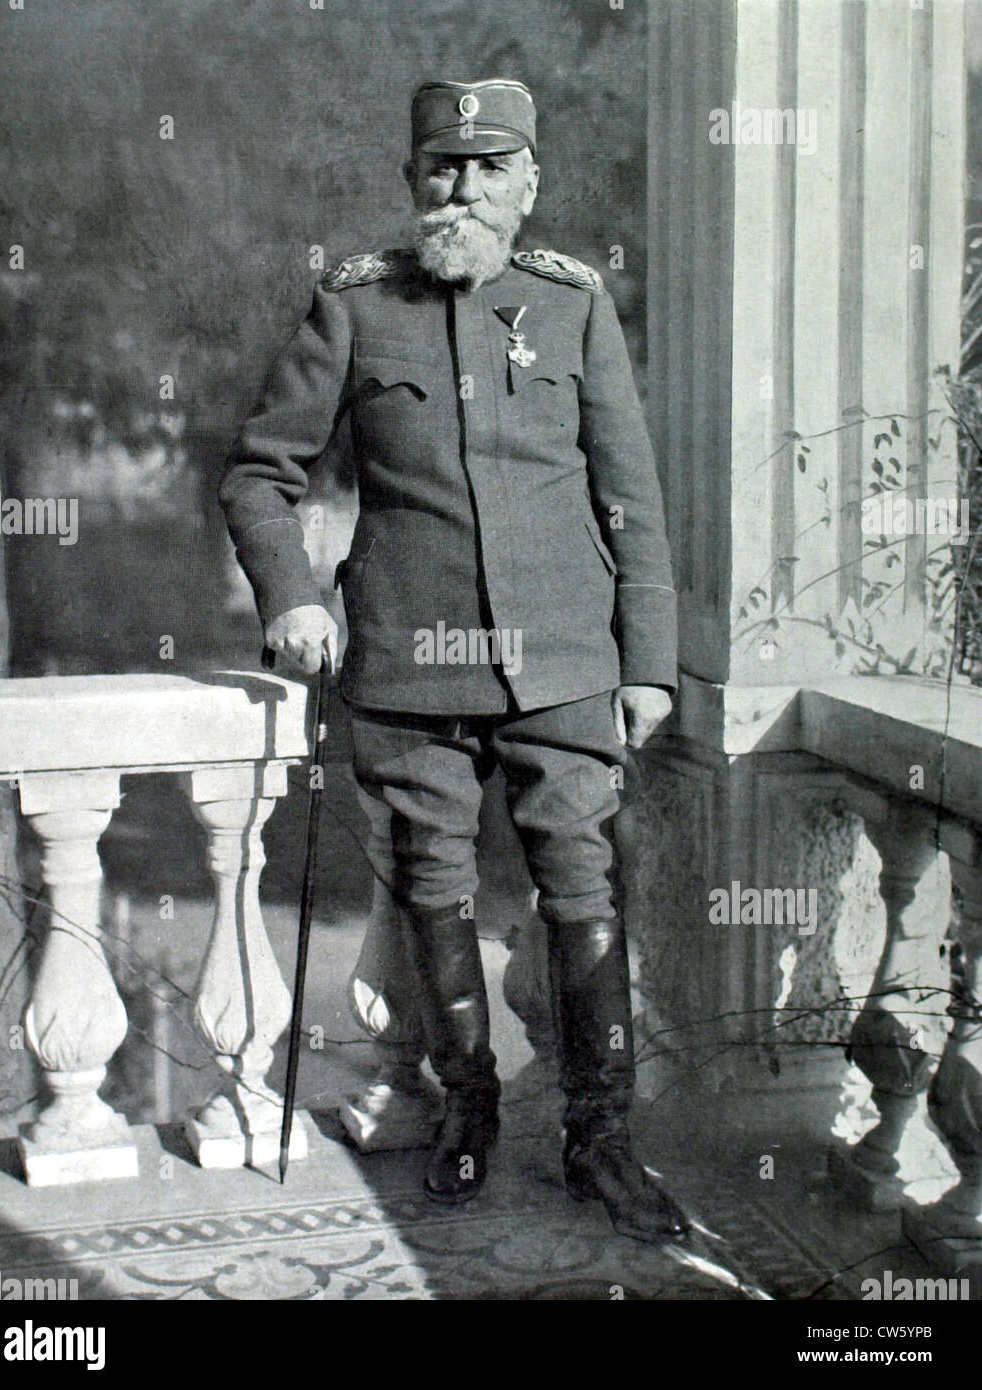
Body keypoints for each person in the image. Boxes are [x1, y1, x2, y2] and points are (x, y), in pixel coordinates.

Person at [219, 78, 688, 1242]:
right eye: (442, 167)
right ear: (411, 179)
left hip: (562, 665)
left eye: (489, 169)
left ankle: (601, 1137)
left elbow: (629, 499)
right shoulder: (355, 307)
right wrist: (291, 594)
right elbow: (258, 473)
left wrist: (648, 662)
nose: (462, 190)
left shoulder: (574, 307)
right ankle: (466, 1106)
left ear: (529, 184)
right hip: (409, 667)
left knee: (581, 890)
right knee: (431, 883)